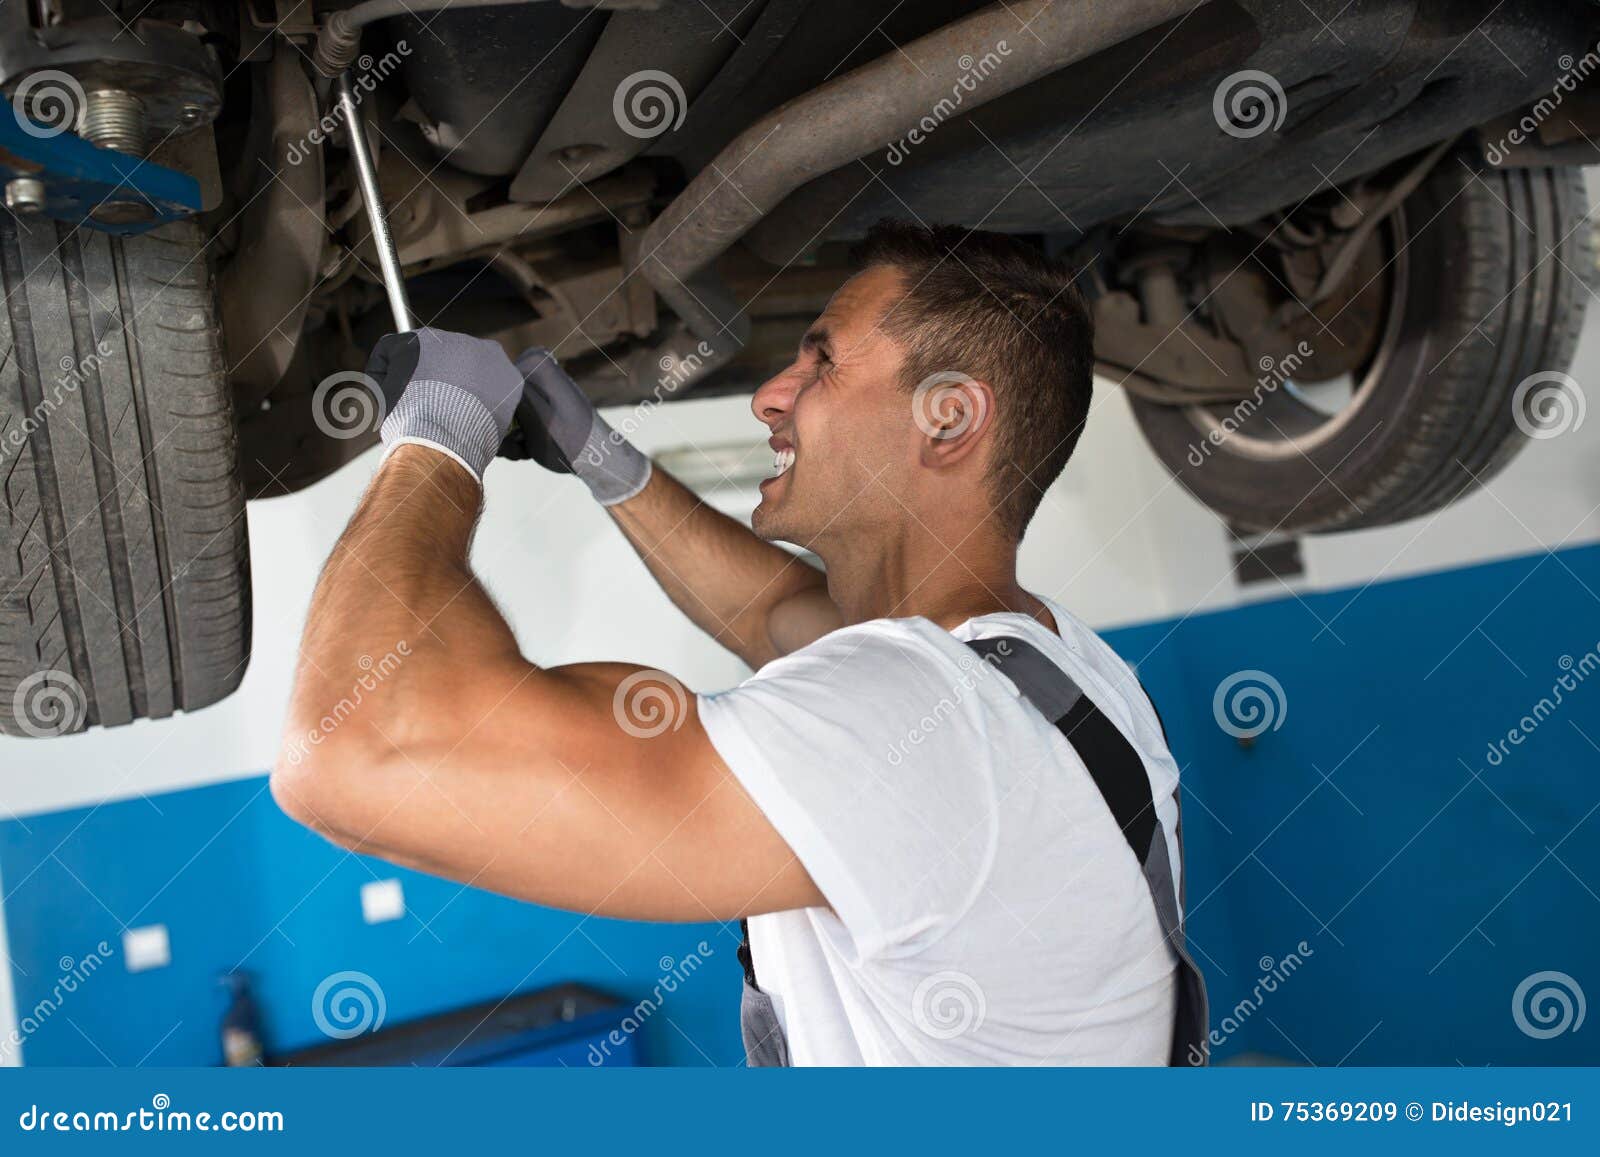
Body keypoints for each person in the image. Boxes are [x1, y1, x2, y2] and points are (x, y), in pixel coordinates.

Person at [271, 220, 1206, 1066]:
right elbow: (776, 616)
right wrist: (605, 460)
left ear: (951, 417)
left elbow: (357, 749)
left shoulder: (922, 720)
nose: (770, 395)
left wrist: (437, 443)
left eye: (822, 362)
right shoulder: (1043, 667)